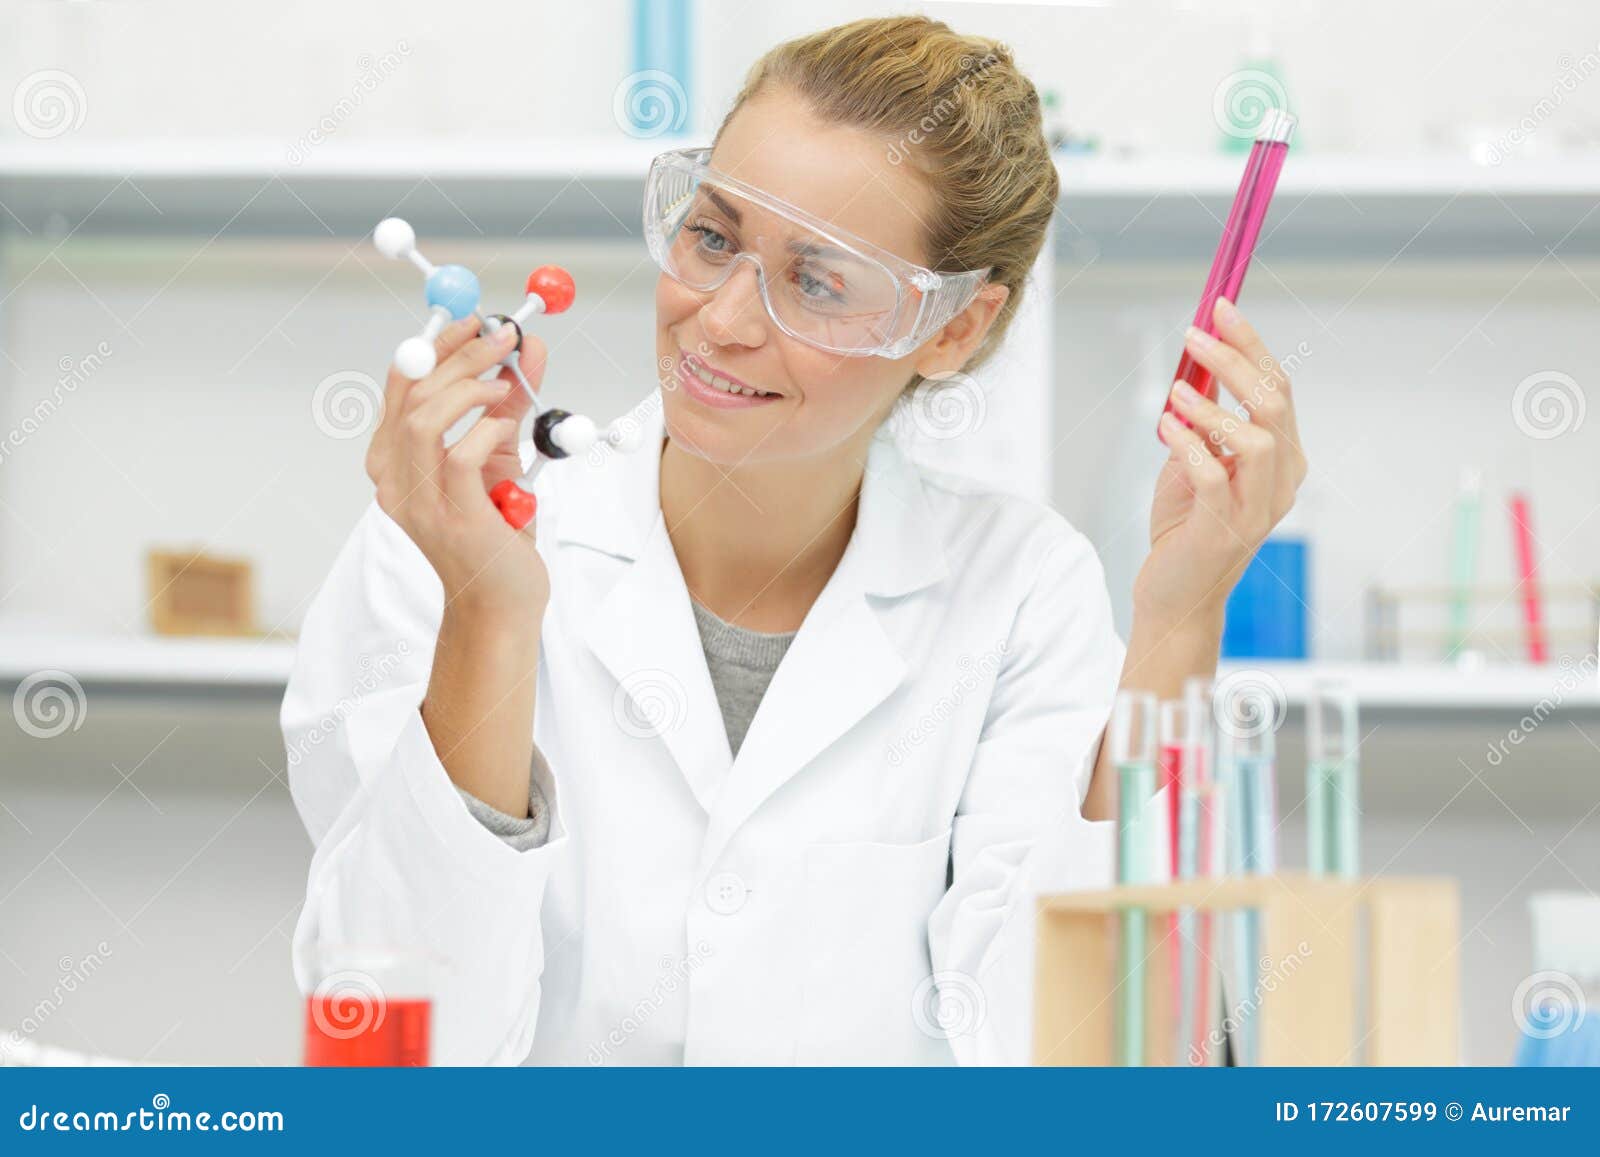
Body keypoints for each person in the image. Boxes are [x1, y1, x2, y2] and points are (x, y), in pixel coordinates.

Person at [283, 14, 1306, 1065]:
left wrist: (1183, 614)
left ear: (951, 327)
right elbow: (388, 1059)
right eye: (712, 236)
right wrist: (488, 619)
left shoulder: (1020, 589)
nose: (723, 320)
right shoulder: (448, 536)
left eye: (817, 281)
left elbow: (1103, 1064)